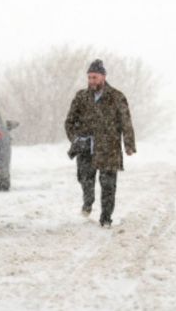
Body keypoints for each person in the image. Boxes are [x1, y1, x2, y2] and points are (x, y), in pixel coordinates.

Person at [65, 59, 136, 227]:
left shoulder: (117, 97)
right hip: (85, 147)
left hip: (108, 147)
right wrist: (75, 139)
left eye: (94, 77)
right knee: (85, 179)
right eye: (89, 77)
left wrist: (129, 144)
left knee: (108, 185)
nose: (91, 81)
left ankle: (106, 218)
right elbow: (69, 121)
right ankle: (88, 202)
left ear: (103, 77)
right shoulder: (81, 97)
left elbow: (126, 122)